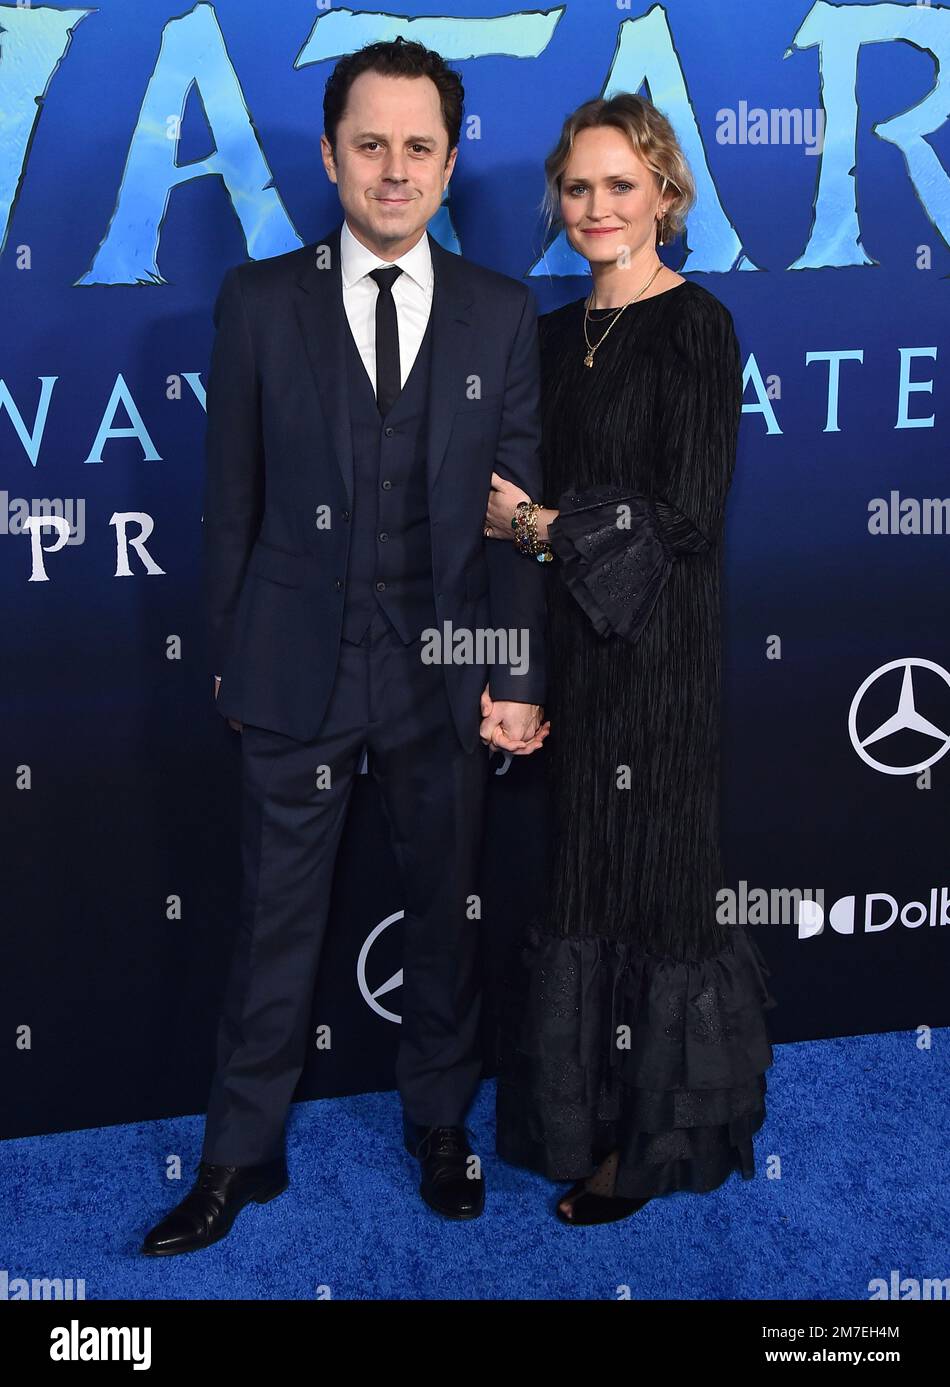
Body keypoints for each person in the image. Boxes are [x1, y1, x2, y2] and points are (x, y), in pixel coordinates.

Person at [142, 37, 547, 1256]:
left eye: (417, 145)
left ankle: (438, 1123)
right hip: (292, 668)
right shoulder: (258, 301)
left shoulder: (502, 312)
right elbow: (232, 505)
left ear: (448, 157)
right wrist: (232, 655)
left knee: (444, 910)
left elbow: (521, 526)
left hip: (444, 670)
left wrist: (514, 672)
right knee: (274, 918)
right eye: (368, 143)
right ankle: (238, 1155)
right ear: (328, 156)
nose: (393, 168)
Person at [487, 93, 776, 1224]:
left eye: (620, 184)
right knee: (581, 879)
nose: (596, 206)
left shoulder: (697, 325)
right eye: (577, 187)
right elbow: (492, 501)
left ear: (665, 192)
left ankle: (652, 1146)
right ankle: (581, 1120)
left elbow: (685, 512)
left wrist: (537, 525)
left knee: (655, 887)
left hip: (659, 658)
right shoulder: (548, 333)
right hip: (570, 651)